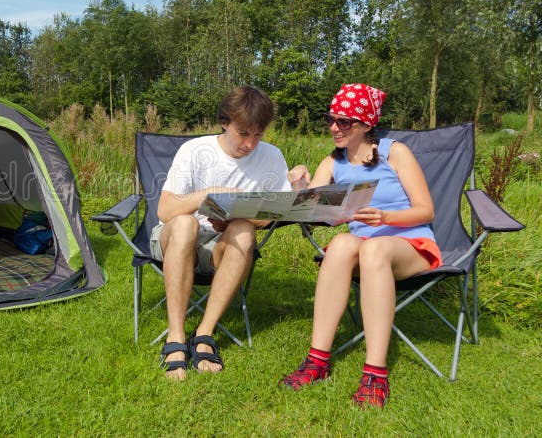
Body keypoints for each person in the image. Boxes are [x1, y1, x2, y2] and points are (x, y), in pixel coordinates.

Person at [278, 83, 442, 408]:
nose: (334, 128)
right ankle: (317, 360)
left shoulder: (395, 153)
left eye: (344, 121)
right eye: (331, 120)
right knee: (339, 244)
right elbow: (309, 212)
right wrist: (299, 184)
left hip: (410, 244)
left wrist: (385, 218)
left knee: (373, 249)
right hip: (363, 246)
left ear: (366, 124)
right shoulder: (333, 162)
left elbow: (426, 209)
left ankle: (375, 374)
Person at [152, 86, 309, 380]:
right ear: (225, 122)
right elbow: (164, 210)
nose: (250, 144)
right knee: (187, 223)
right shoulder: (195, 151)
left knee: (244, 230)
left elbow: (277, 213)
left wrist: (296, 187)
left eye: (258, 135)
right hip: (176, 240)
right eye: (243, 133)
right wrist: (206, 196)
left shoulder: (272, 157)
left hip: (221, 247)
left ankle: (204, 333)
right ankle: (175, 335)